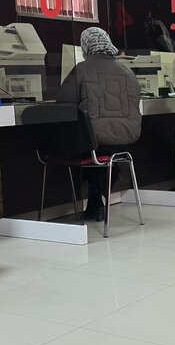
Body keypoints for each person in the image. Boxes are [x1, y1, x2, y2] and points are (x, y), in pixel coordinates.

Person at [57, 26, 142, 221]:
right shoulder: (127, 71)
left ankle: (94, 196)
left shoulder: (82, 69)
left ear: (86, 46)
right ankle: (96, 195)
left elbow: (63, 101)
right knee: (102, 152)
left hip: (93, 141)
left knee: (87, 145)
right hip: (124, 139)